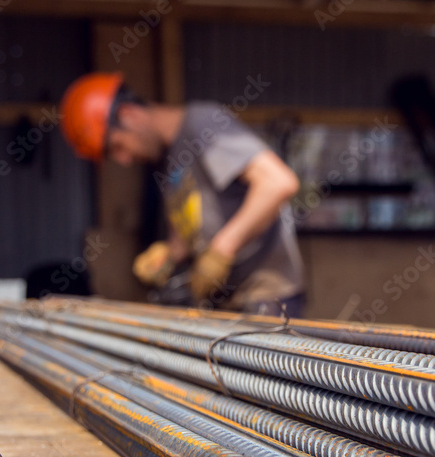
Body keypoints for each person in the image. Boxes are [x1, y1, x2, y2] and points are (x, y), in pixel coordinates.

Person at [59, 72, 305, 317]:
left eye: (117, 146)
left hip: (267, 298)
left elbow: (278, 183)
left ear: (128, 114)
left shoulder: (203, 124)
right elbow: (195, 223)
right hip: (229, 302)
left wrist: (222, 249)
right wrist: (170, 252)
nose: (123, 160)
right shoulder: (168, 159)